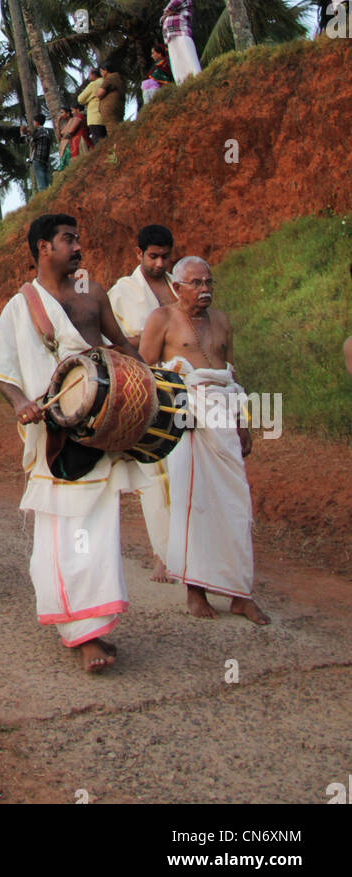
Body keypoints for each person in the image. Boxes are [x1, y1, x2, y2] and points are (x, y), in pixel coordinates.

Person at [0, 214, 148, 673]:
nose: (77, 246)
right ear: (43, 247)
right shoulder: (20, 306)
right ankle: (80, 632)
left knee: (100, 528)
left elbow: (124, 350)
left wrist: (154, 389)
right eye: (68, 239)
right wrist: (20, 404)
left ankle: (92, 624)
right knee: (62, 532)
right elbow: (3, 372)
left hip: (100, 429)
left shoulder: (94, 294)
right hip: (54, 435)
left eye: (78, 238)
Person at [139, 256, 269, 625]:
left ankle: (240, 593)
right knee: (193, 503)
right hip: (187, 417)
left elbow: (231, 377)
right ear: (177, 287)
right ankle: (195, 590)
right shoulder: (161, 320)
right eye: (195, 283)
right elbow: (147, 376)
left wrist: (243, 423)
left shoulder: (223, 321)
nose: (205, 289)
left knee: (235, 503)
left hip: (225, 418)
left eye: (209, 282)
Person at [108, 224, 177, 581]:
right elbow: (113, 342)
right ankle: (163, 554)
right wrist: (151, 337)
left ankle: (192, 549)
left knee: (186, 470)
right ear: (138, 254)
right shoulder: (122, 292)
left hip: (186, 388)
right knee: (154, 472)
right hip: (147, 390)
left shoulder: (181, 287)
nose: (159, 262)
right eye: (153, 256)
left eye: (166, 256)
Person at [161, 0, 201, 84]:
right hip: (171, 35)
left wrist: (167, 13)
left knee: (188, 55)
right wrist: (166, 15)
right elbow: (162, 18)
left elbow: (169, 8)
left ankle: (198, 78)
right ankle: (182, 83)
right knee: (177, 60)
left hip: (181, 31)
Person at [22, 114, 54, 191]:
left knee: (41, 184)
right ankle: (47, 194)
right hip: (44, 159)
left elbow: (30, 141)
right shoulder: (45, 131)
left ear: (36, 122)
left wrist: (23, 133)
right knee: (45, 180)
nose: (33, 123)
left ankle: (45, 198)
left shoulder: (38, 131)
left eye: (34, 121)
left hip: (37, 158)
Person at [78, 68, 106, 145]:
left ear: (94, 75)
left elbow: (80, 99)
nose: (88, 76)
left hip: (95, 116)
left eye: (89, 74)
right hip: (105, 115)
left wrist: (87, 101)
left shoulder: (94, 84)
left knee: (98, 142)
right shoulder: (105, 81)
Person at [96, 63, 126, 135]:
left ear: (105, 70)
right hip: (118, 105)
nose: (101, 74)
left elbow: (99, 93)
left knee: (112, 129)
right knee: (118, 125)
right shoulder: (118, 77)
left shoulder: (109, 78)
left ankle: (117, 144)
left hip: (109, 108)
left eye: (101, 71)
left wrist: (96, 94)